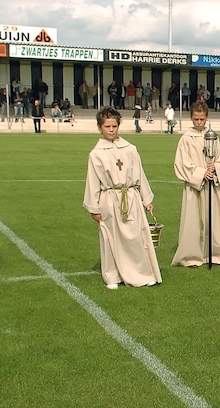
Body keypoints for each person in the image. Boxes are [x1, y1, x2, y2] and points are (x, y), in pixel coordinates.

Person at [83, 107, 162, 289]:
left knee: (136, 237)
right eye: (107, 126)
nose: (111, 130)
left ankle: (142, 273)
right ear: (99, 127)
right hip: (109, 198)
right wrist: (94, 208)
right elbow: (93, 181)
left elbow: (140, 174)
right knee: (111, 237)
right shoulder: (96, 154)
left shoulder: (130, 149)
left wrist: (146, 199)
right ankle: (113, 276)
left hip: (130, 196)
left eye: (114, 126)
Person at [171, 102, 220, 268]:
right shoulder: (186, 139)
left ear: (207, 118)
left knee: (214, 219)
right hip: (194, 186)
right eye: (196, 119)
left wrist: (215, 169)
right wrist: (200, 173)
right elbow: (182, 163)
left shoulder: (213, 137)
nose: (199, 122)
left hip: (212, 185)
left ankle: (216, 254)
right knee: (193, 220)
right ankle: (192, 255)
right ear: (191, 118)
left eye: (202, 119)